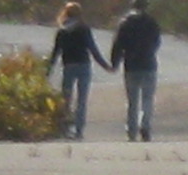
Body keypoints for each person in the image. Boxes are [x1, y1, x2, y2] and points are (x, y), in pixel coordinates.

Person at [48, 2, 112, 140]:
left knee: (66, 98)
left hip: (68, 66)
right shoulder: (84, 29)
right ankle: (79, 130)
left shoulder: (62, 30)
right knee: (82, 99)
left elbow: (56, 52)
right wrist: (105, 65)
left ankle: (65, 128)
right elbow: (93, 49)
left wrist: (48, 69)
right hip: (83, 65)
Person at [110, 0, 161, 142]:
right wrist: (149, 52)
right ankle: (145, 126)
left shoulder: (125, 23)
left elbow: (118, 45)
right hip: (149, 65)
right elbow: (157, 42)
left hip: (131, 66)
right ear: (146, 7)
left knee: (132, 101)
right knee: (148, 99)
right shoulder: (151, 22)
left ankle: (131, 130)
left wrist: (115, 62)